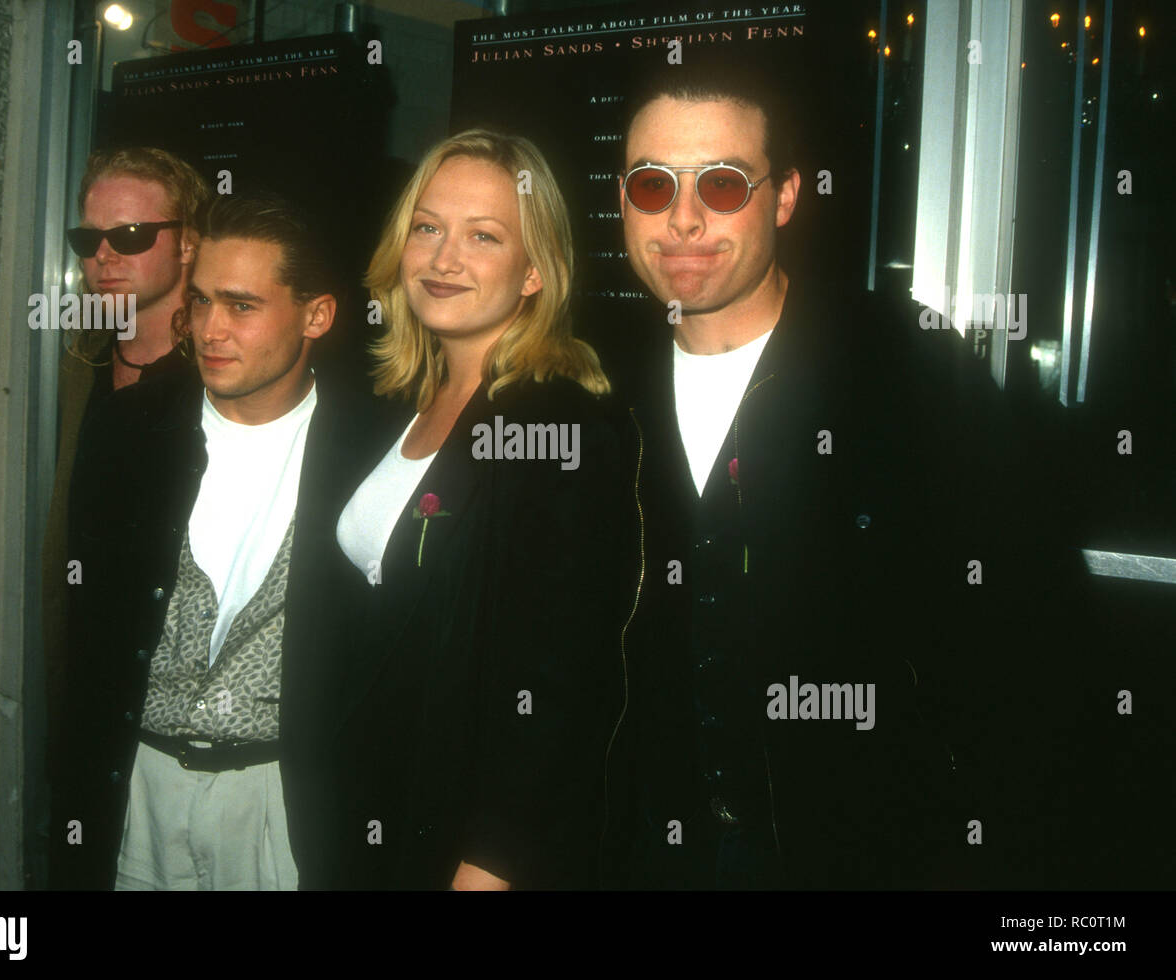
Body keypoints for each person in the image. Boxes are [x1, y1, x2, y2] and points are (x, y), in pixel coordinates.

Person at [602, 57, 1085, 889]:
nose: (683, 220)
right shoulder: (596, 390)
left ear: (785, 196)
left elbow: (1029, 631)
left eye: (722, 186)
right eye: (653, 187)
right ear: (621, 200)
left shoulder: (904, 362)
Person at [280, 130, 628, 890]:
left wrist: (490, 863)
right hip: (359, 821)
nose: (443, 259)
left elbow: (560, 678)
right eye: (428, 227)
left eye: (484, 236)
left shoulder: (553, 424)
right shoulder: (388, 406)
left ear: (535, 271)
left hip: (460, 847)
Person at [50, 191, 357, 889]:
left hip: (281, 800)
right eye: (202, 302)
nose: (210, 330)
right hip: (139, 786)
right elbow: (89, 634)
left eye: (243, 306)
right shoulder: (130, 430)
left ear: (317, 314)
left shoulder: (370, 446)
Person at [41, 147, 210, 826]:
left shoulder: (223, 382)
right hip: (85, 705)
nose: (105, 255)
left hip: (187, 728)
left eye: (133, 236)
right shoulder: (71, 367)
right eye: (90, 239)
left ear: (190, 243)